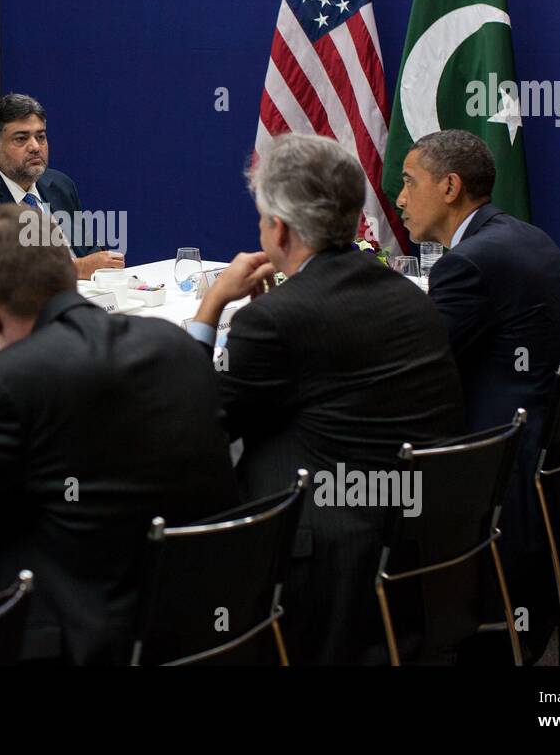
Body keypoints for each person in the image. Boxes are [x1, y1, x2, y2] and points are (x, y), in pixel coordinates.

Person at [190, 133, 464, 665]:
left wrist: (211, 307)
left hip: (320, 556)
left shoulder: (271, 320)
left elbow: (200, 427)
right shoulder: (406, 294)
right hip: (417, 537)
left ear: (281, 228)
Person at [0, 204, 238, 665]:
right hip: (214, 623)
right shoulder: (173, 343)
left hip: (81, 641)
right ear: (70, 276)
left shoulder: (8, 382)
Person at [396, 129, 560, 661]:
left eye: (411, 182)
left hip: (503, 460)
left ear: (451, 186)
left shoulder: (467, 263)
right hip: (555, 453)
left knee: (351, 472)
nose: (400, 198)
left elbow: (418, 371)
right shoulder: (524, 235)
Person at [0, 93, 125, 277]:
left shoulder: (60, 185)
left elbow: (88, 249)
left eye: (41, 137)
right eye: (21, 139)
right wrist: (76, 268)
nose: (35, 147)